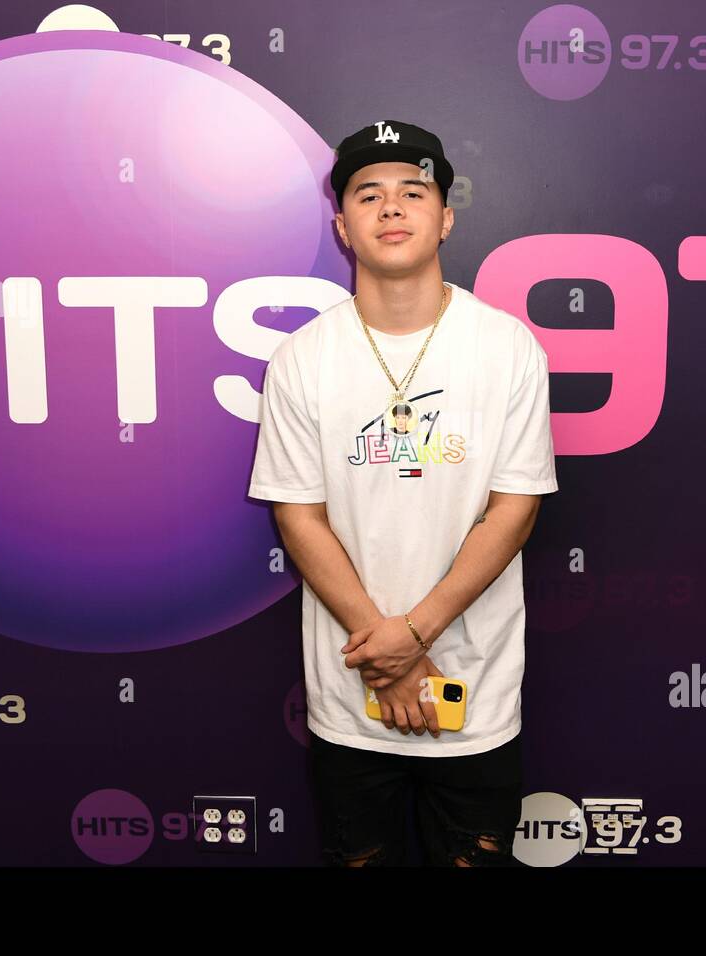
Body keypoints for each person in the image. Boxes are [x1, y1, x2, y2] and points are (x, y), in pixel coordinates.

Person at [247, 120, 558, 866]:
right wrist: (394, 653)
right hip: (351, 694)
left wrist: (415, 634)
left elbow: (514, 509)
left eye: (413, 191)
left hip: (474, 687)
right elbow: (299, 515)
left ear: (444, 217)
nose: (392, 208)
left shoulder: (507, 346)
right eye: (368, 194)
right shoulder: (301, 359)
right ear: (343, 227)